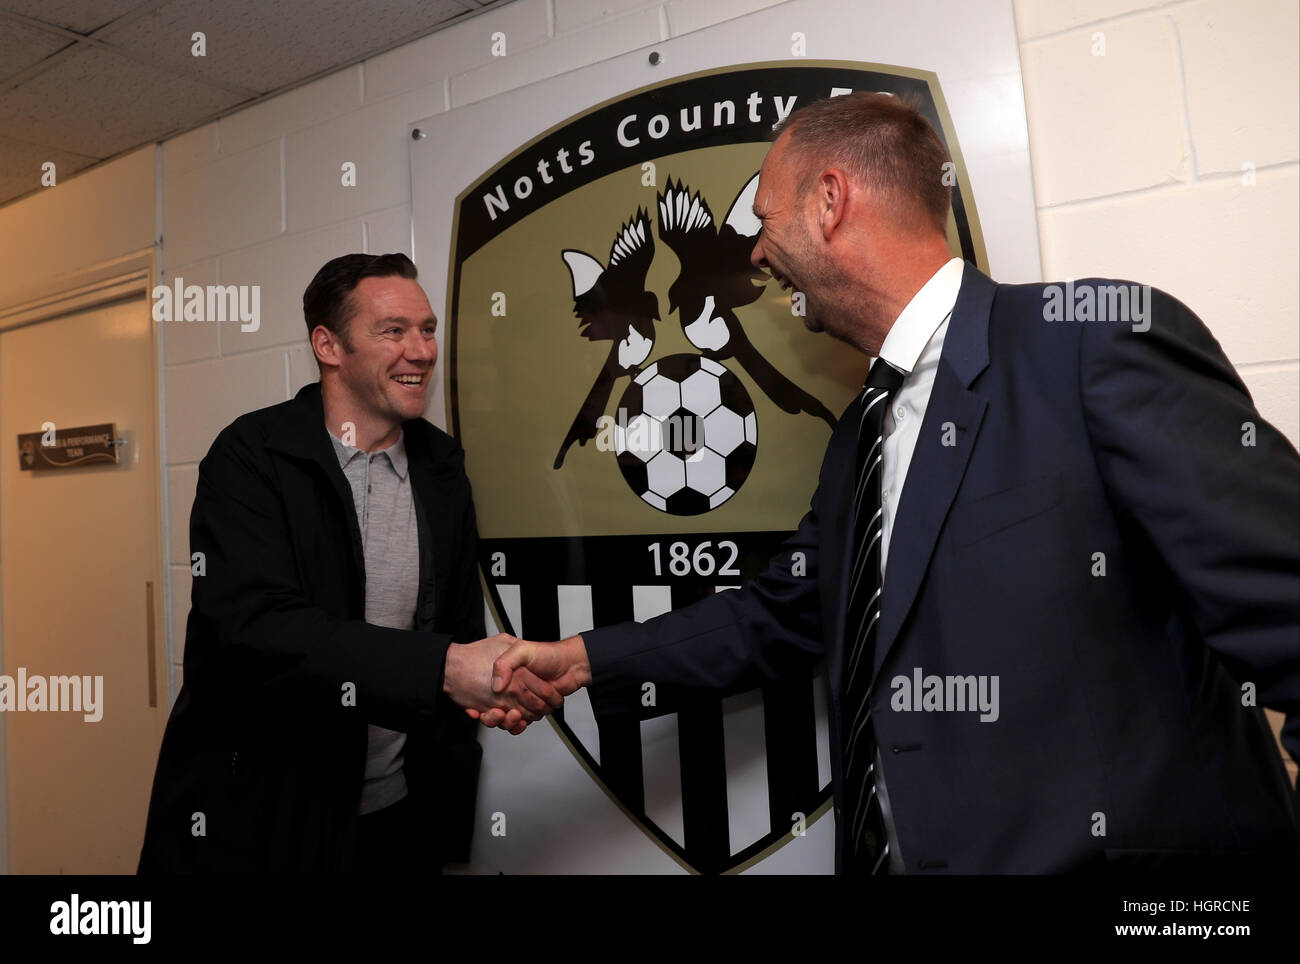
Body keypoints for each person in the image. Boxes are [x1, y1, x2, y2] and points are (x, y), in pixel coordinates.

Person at [476, 93, 1300, 874]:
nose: (758, 253)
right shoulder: (860, 438)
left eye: (766, 221)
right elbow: (779, 615)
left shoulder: (1089, 346)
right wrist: (579, 658)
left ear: (830, 200)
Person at [139, 253, 559, 874]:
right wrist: (446, 669)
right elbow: (259, 631)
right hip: (263, 823)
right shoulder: (252, 457)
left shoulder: (442, 468)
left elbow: (454, 625)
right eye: (393, 331)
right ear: (328, 345)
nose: (420, 350)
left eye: (427, 329)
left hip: (396, 820)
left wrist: (488, 686)